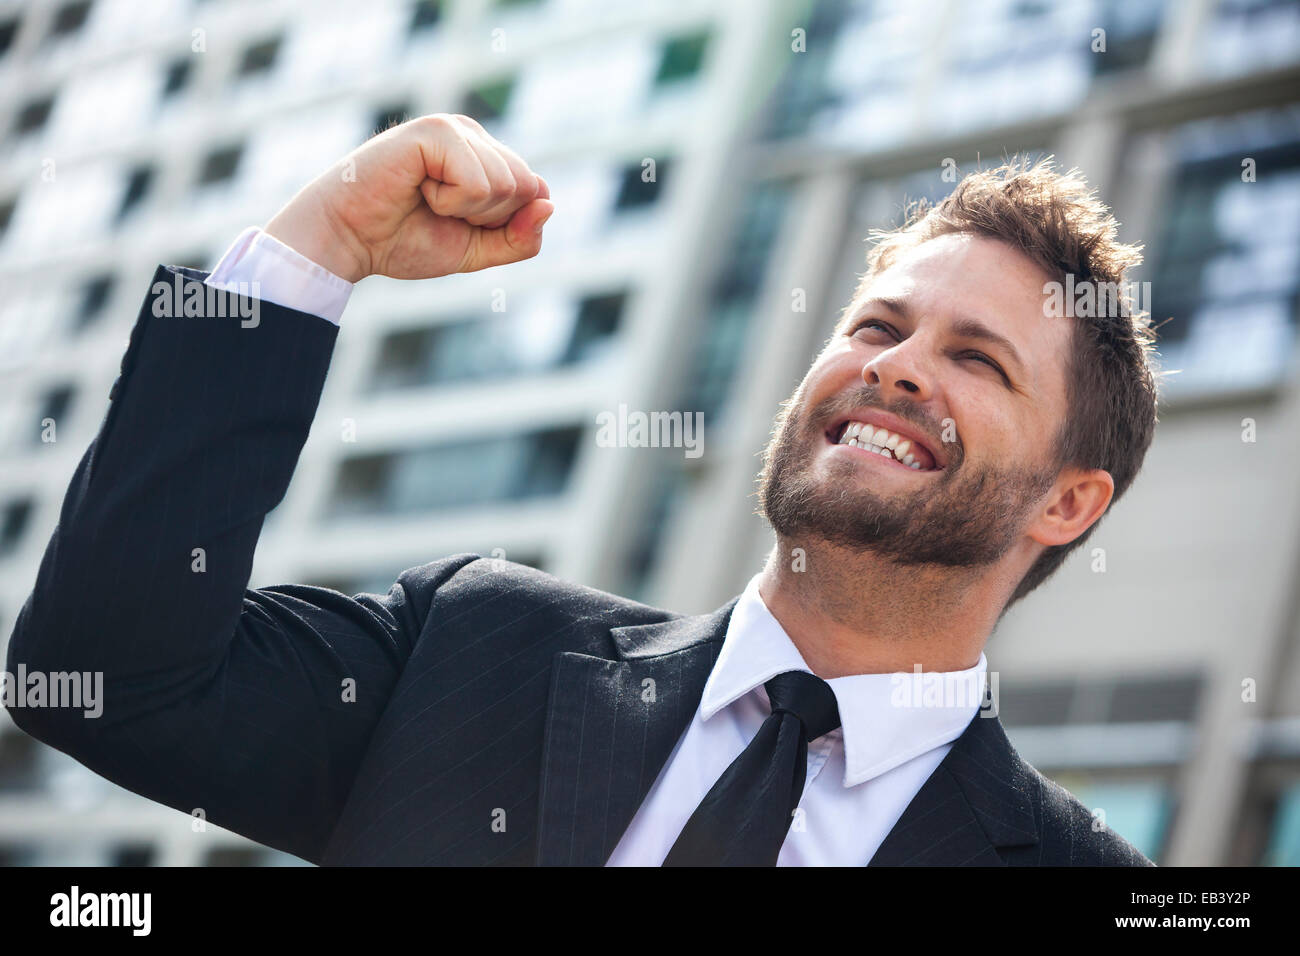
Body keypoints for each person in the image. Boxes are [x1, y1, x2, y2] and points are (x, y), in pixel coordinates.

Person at [5, 114, 1158, 866]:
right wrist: (322, 244)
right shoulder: (478, 644)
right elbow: (104, 679)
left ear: (1068, 502)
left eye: (977, 358)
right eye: (877, 323)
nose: (896, 364)